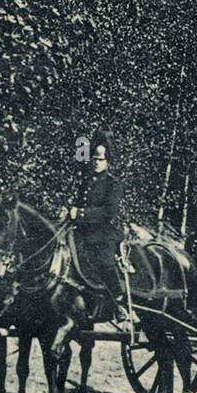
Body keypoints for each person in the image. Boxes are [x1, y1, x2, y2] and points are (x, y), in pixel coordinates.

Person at [67, 130, 126, 322]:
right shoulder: (86, 181)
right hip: (81, 232)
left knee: (105, 262)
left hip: (103, 233)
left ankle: (118, 302)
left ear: (107, 161)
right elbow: (77, 203)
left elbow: (109, 212)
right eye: (94, 158)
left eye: (100, 159)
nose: (96, 162)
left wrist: (81, 214)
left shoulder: (113, 184)